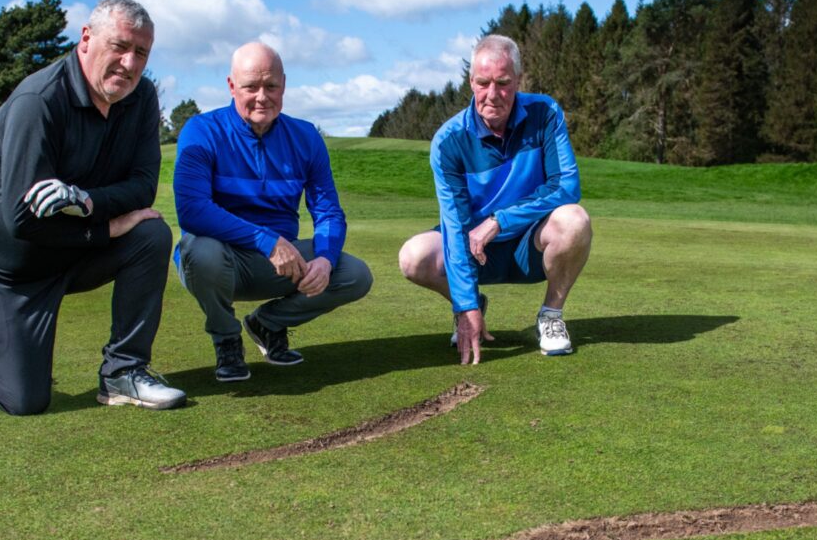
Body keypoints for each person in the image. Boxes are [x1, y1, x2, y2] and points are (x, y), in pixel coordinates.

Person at [0, 0, 184, 414]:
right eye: (119, 46)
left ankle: (124, 371)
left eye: (141, 52)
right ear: (86, 38)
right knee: (22, 399)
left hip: (66, 250)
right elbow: (21, 220)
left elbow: (142, 187)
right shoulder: (39, 100)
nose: (129, 63)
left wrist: (86, 200)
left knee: (150, 232)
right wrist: (103, 228)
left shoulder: (141, 98)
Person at [172, 42, 372, 382]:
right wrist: (267, 241)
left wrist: (325, 259)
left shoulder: (306, 136)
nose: (262, 97)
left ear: (284, 85)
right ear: (232, 86)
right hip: (221, 261)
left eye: (271, 86)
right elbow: (192, 211)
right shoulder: (202, 130)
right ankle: (226, 340)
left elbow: (328, 212)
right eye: (250, 86)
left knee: (354, 273)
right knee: (200, 250)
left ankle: (267, 324)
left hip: (279, 265)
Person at [399, 34, 592, 365]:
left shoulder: (545, 112)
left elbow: (566, 186)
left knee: (575, 220)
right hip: (475, 249)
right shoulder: (448, 140)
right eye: (483, 83)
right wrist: (465, 305)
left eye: (503, 83)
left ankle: (551, 315)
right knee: (413, 256)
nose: (492, 94)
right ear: (471, 82)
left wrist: (500, 220)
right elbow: (456, 226)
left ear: (517, 80)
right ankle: (474, 302)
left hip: (530, 243)